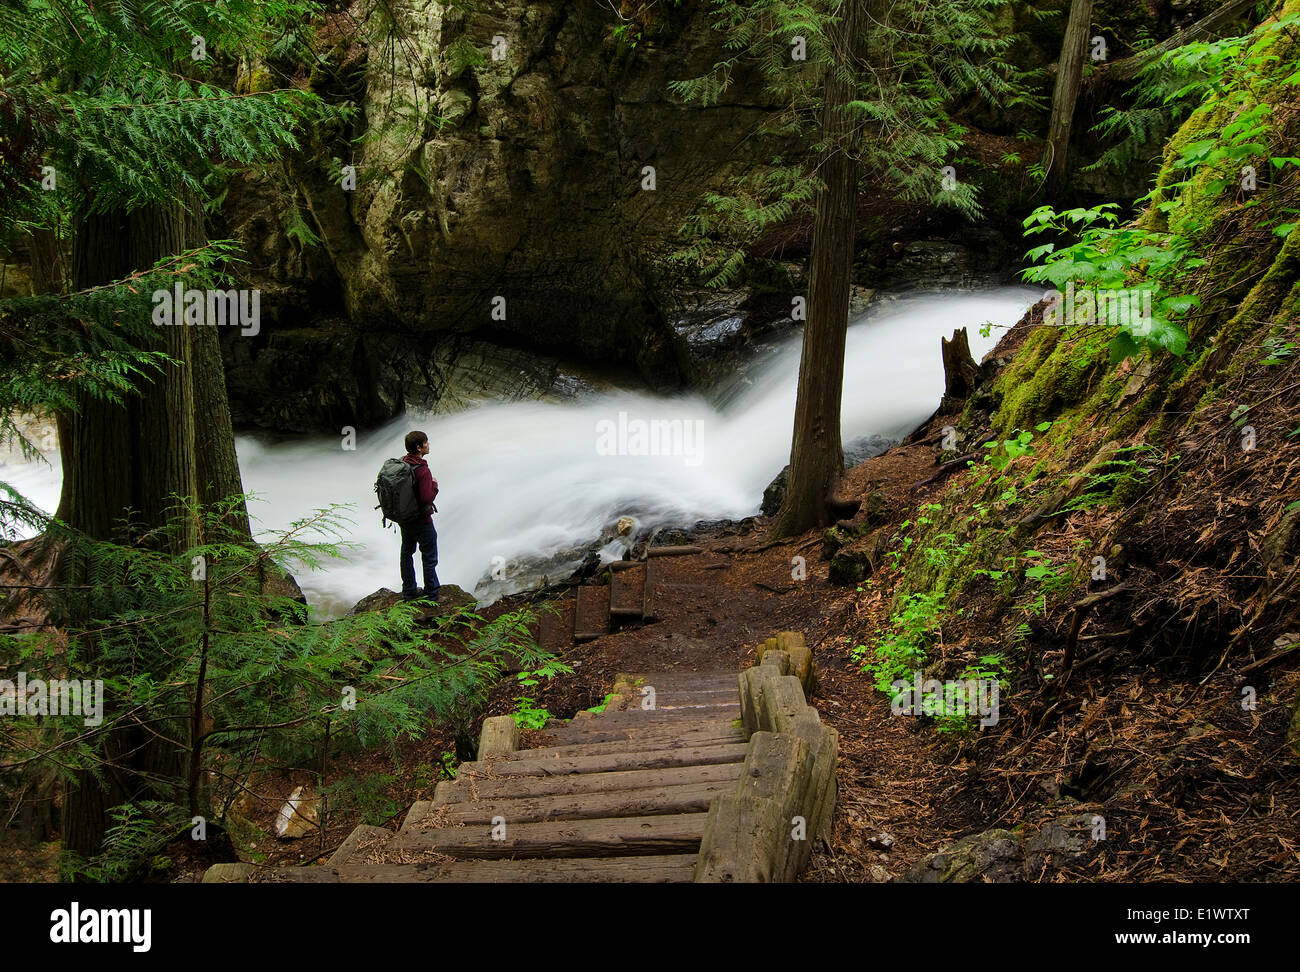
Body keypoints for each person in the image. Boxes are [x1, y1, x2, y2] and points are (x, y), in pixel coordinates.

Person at [399, 430, 440, 602]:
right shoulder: (422, 470)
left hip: (405, 518)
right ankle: (431, 594)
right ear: (419, 447)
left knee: (407, 553)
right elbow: (426, 498)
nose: (428, 445)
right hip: (422, 520)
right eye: (426, 442)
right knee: (429, 557)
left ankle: (409, 591)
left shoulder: (403, 462)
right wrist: (434, 486)